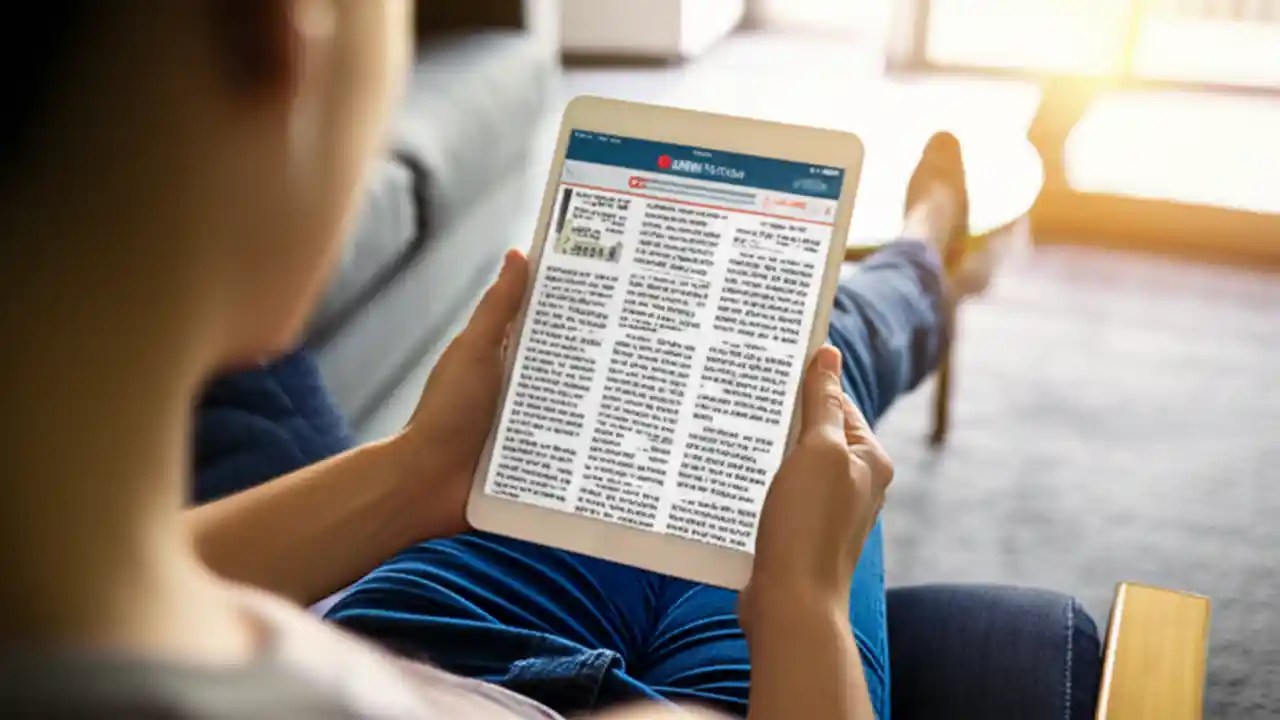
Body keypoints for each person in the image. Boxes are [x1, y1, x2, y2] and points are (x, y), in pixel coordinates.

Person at [1, 2, 1006, 718]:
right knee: (812, 371)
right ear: (283, 36)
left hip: (409, 616)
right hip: (624, 675)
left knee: (757, 358)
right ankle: (924, 254)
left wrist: (413, 475)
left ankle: (917, 262)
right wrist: (803, 609)